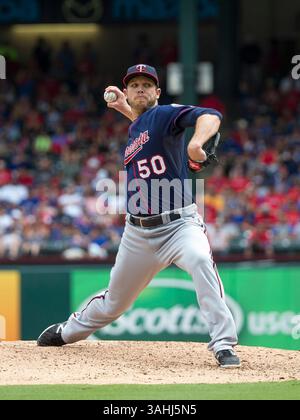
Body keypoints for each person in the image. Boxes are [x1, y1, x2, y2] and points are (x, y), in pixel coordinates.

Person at [37, 65, 240, 369]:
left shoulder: (165, 114)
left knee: (199, 260)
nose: (141, 88)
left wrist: (196, 143)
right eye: (134, 85)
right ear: (128, 92)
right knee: (115, 302)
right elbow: (149, 131)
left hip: (178, 226)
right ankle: (67, 332)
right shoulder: (140, 126)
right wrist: (126, 110)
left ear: (158, 92)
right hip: (138, 234)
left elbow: (210, 114)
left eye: (147, 84)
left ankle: (223, 344)